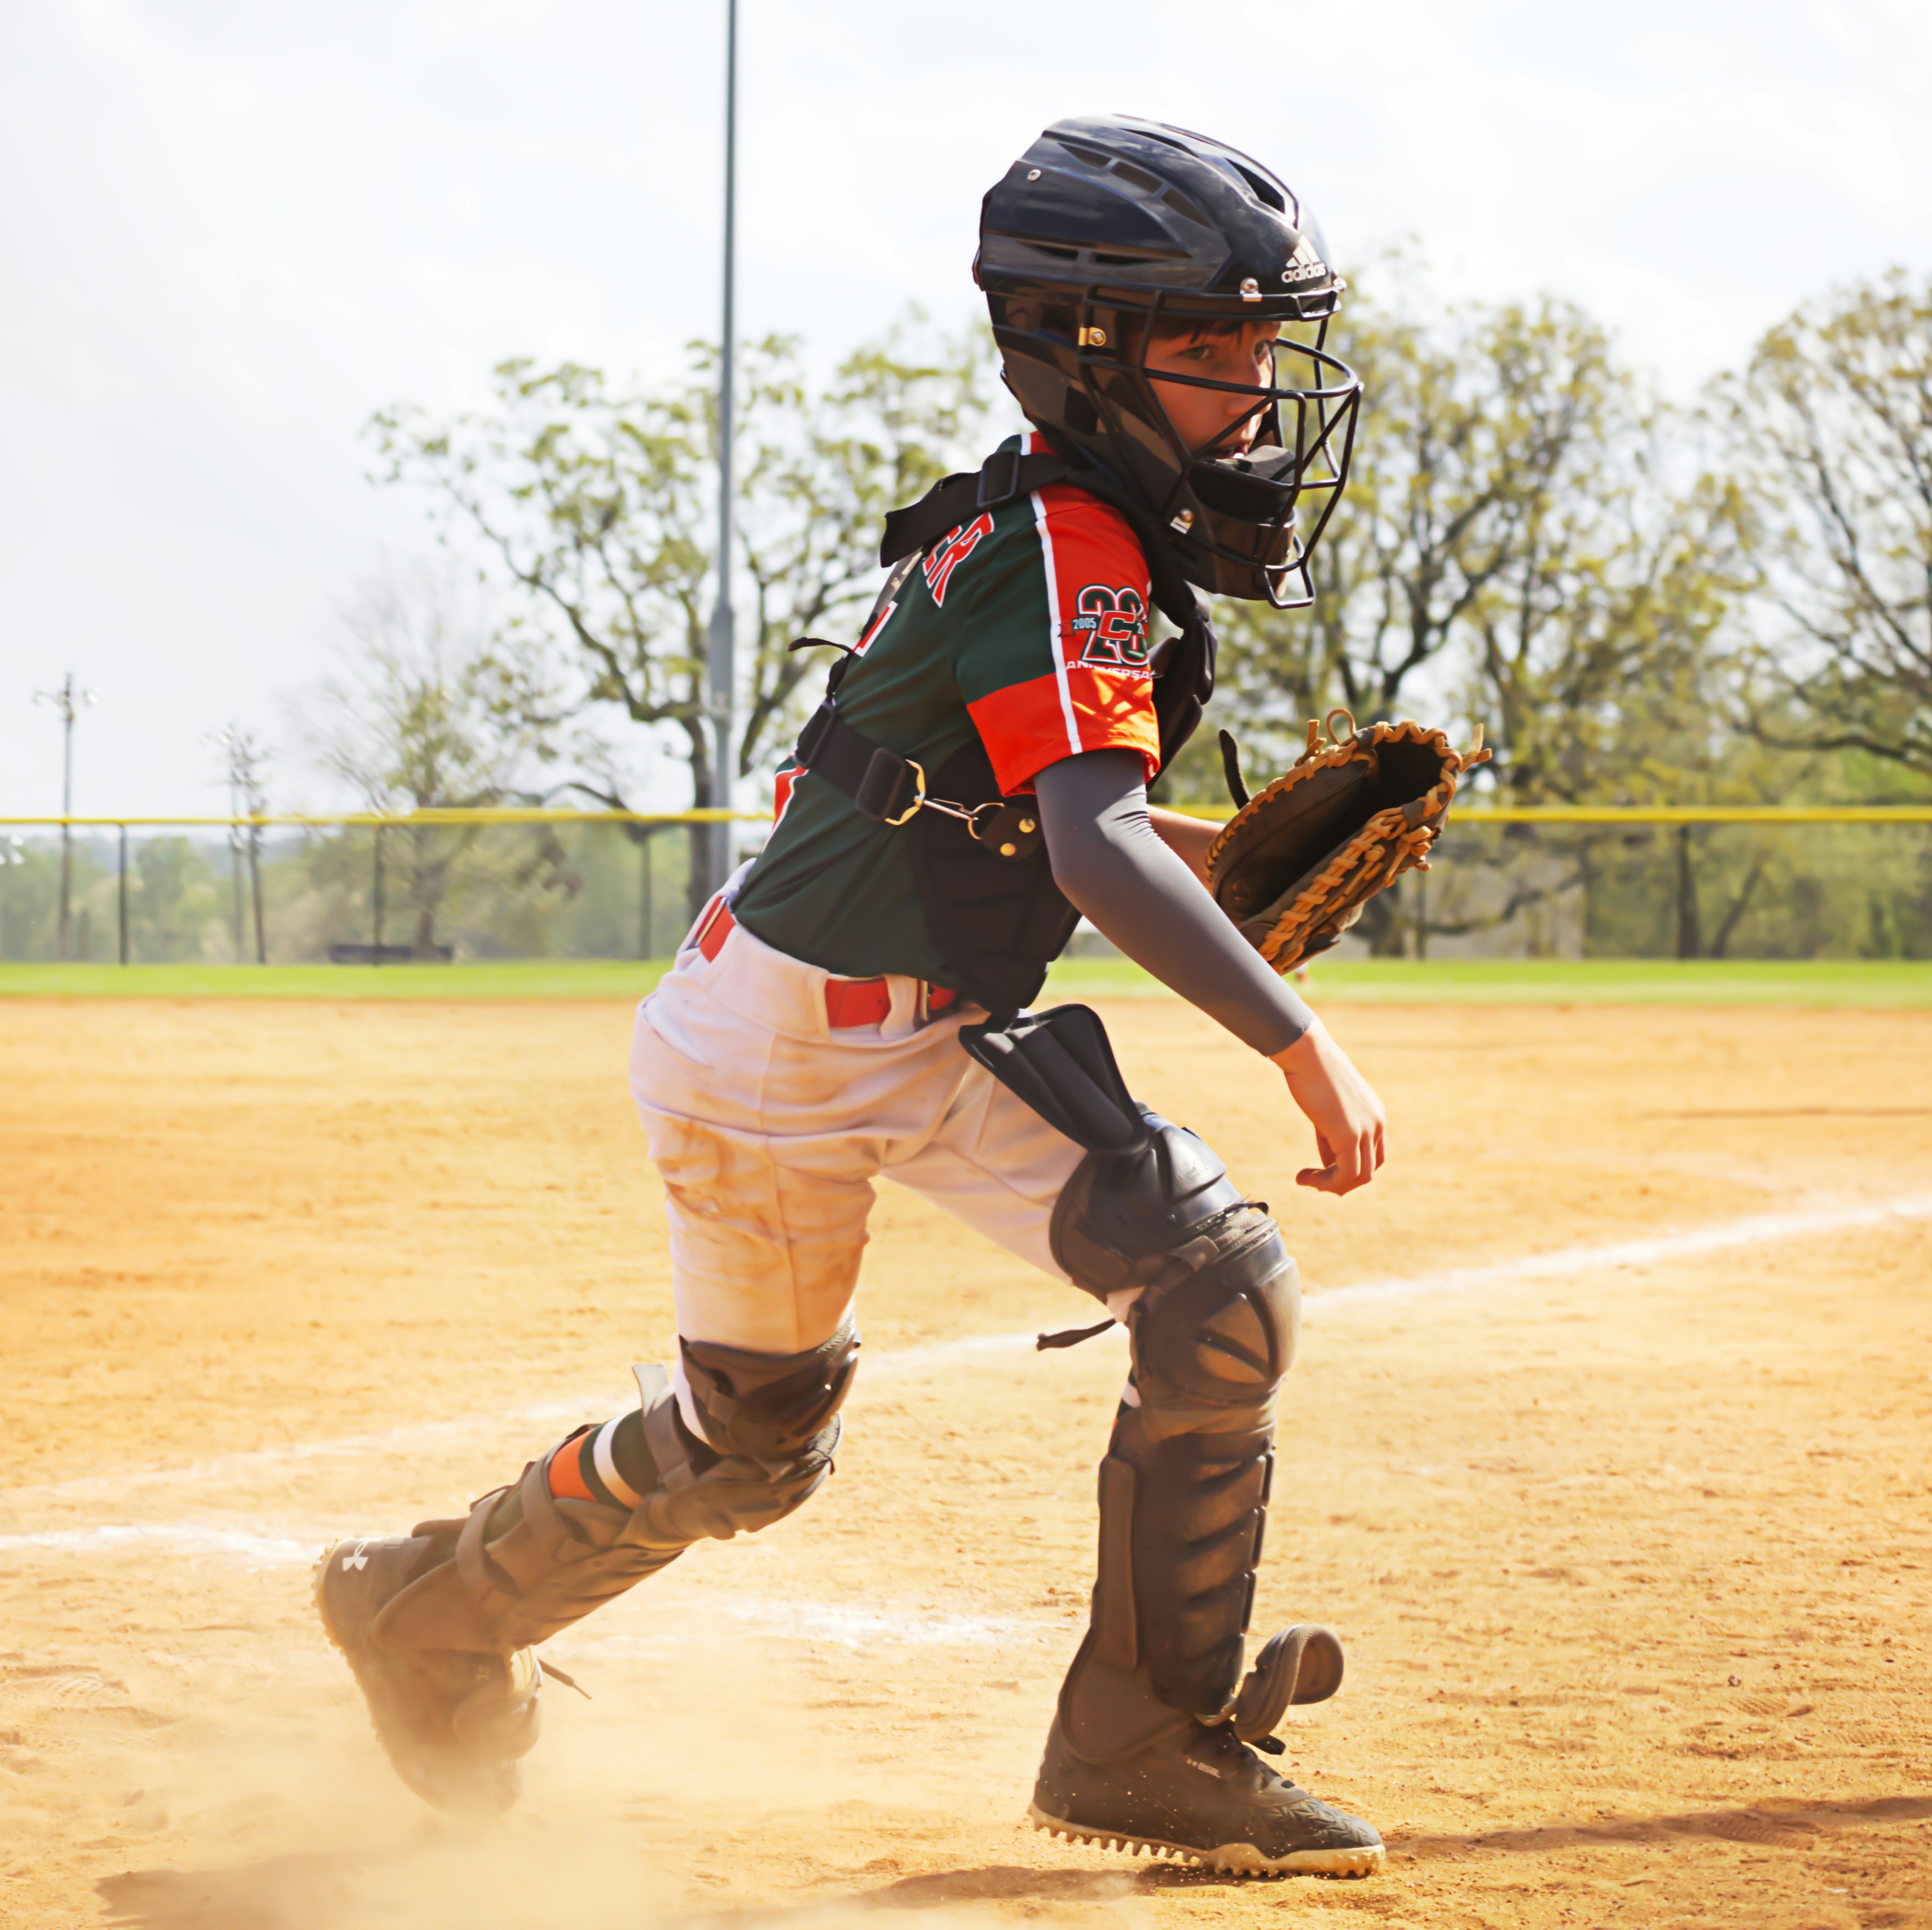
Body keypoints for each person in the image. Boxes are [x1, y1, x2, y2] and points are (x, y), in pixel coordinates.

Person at [313, 116, 1392, 1879]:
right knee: (755, 1447)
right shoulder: (1066, 543)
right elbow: (1090, 849)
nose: (1256, 389)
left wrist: (1224, 856)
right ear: (1092, 351)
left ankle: (1142, 1737)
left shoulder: (1055, 524)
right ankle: (428, 1614)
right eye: (1214, 346)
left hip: (879, 1020)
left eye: (1261, 345)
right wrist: (1298, 1032)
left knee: (1212, 1294)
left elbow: (1032, 814)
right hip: (784, 1051)